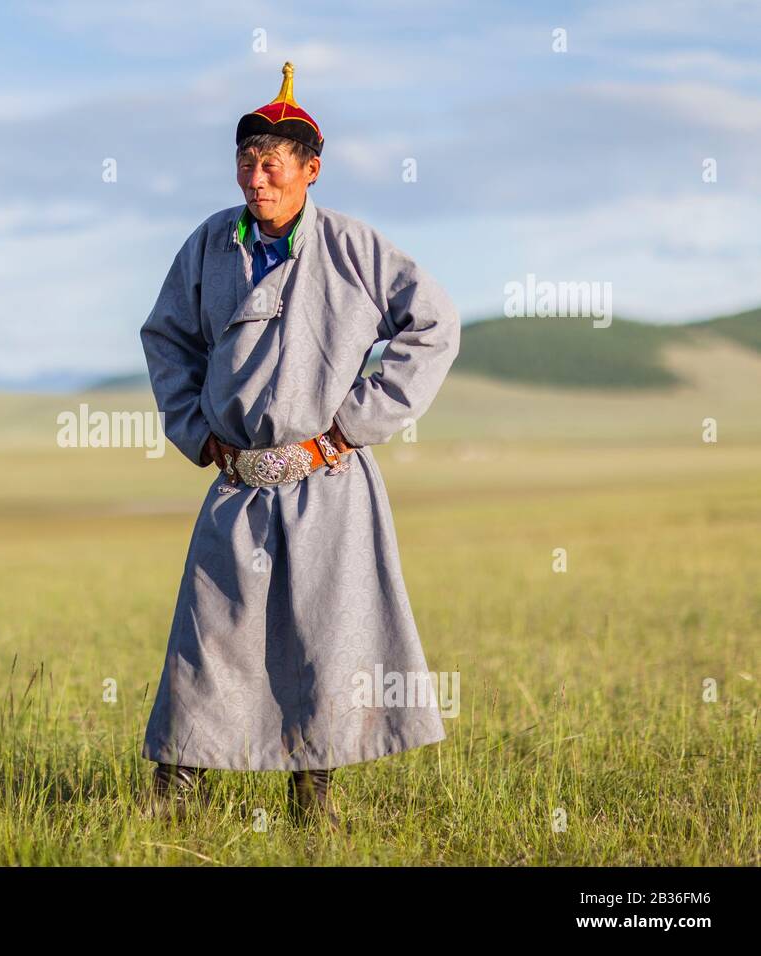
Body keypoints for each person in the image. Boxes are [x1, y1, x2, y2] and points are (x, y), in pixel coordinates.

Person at [139, 62, 461, 826]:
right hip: (241, 478)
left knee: (325, 641)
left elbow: (434, 326)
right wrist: (198, 430)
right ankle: (179, 799)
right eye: (248, 159)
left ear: (311, 170)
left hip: (330, 477)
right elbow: (166, 339)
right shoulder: (209, 246)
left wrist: (356, 424)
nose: (258, 174)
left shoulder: (355, 247)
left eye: (275, 162)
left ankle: (312, 802)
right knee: (209, 637)